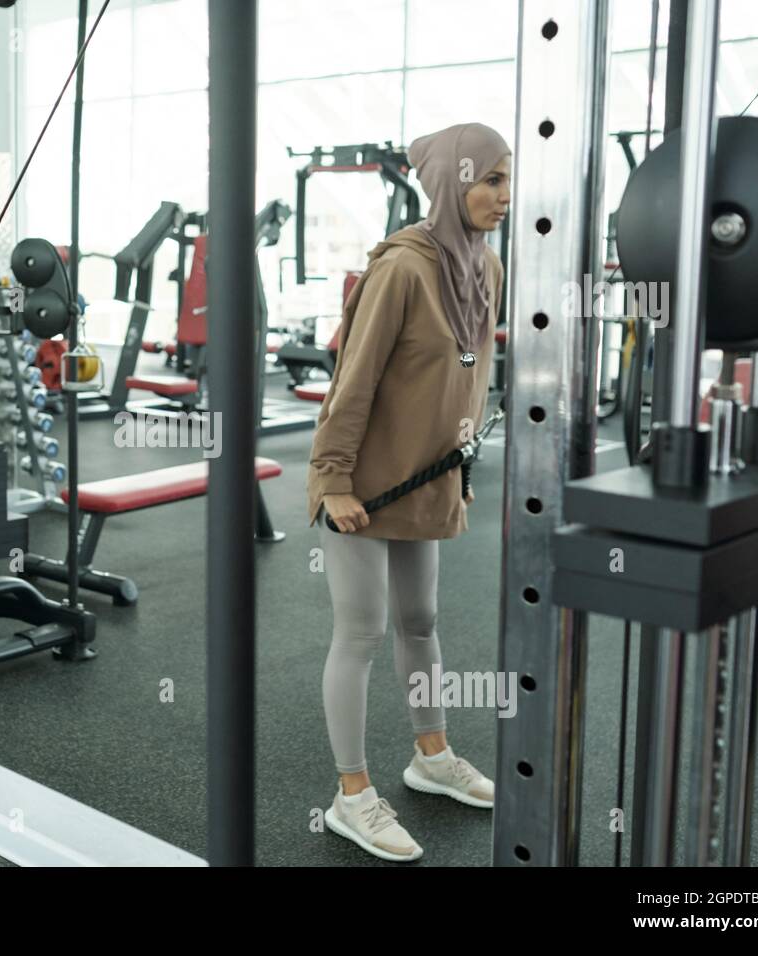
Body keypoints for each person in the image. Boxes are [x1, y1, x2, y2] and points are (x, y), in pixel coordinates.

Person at [306, 122, 510, 862]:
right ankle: (351, 795)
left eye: (506, 180)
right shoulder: (401, 268)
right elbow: (351, 384)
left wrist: (458, 473)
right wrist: (330, 481)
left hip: (425, 479)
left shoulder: (484, 268)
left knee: (420, 621)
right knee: (360, 633)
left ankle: (430, 757)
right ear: (453, 182)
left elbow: (470, 379)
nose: (503, 196)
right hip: (360, 485)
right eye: (490, 180)